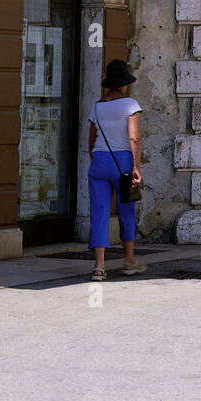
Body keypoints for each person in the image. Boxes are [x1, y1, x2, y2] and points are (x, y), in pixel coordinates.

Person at [88, 59, 145, 281]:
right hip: (122, 160)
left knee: (99, 213)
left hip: (100, 160)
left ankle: (99, 267)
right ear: (124, 84)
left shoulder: (96, 106)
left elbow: (91, 141)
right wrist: (136, 167)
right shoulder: (130, 104)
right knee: (126, 210)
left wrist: (97, 161)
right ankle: (129, 260)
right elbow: (134, 137)